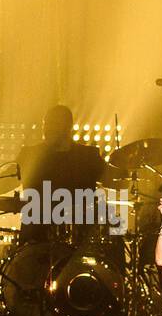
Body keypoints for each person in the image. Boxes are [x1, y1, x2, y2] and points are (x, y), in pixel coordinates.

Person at [15, 104, 105, 243]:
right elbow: (0, 184)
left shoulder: (88, 156)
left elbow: (116, 181)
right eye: (46, 123)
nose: (46, 129)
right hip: (35, 239)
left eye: (53, 123)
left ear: (68, 127)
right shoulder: (29, 155)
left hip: (79, 239)